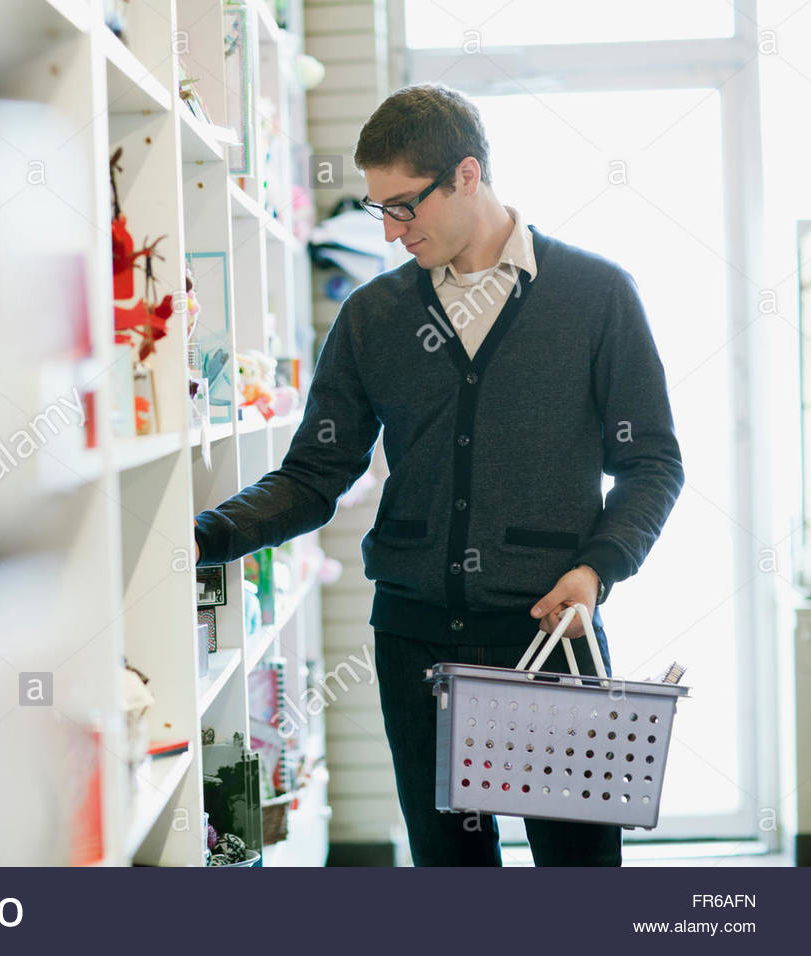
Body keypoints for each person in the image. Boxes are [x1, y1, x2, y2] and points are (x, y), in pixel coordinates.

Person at [193, 84, 684, 866]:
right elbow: (315, 474)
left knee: (578, 870)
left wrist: (597, 570)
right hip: (416, 641)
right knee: (451, 872)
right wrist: (201, 539)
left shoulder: (595, 297)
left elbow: (652, 462)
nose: (390, 234)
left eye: (403, 207)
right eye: (377, 208)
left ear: (466, 174)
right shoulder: (374, 318)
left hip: (549, 636)